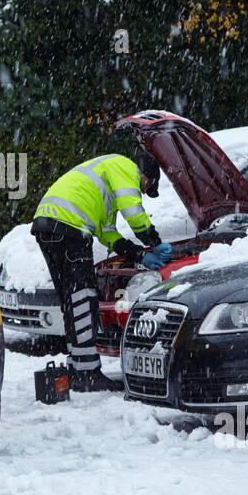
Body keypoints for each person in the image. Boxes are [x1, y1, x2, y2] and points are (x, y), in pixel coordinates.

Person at [31, 150, 172, 383]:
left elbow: (108, 234)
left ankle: (77, 367)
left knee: (71, 298)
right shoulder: (125, 167)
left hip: (47, 225)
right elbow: (134, 213)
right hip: (70, 226)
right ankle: (87, 373)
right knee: (84, 297)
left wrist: (139, 254)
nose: (144, 192)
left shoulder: (107, 177)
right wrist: (154, 242)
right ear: (145, 175)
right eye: (147, 187)